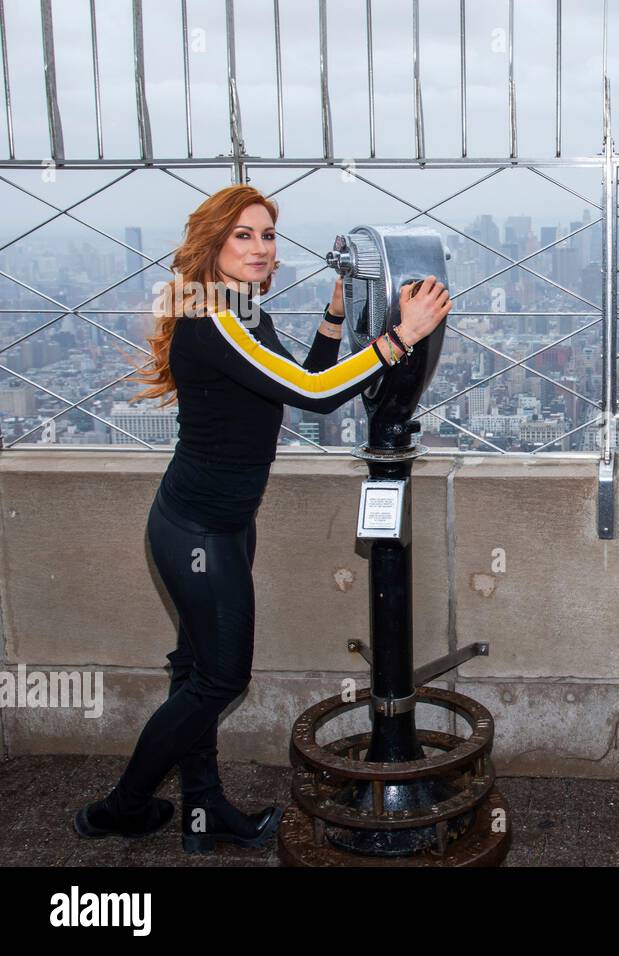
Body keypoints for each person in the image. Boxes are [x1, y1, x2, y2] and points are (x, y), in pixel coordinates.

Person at [74, 184, 452, 853]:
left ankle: (204, 812)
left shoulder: (242, 310)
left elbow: (301, 386)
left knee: (195, 673)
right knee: (220, 680)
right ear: (211, 244)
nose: (259, 248)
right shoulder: (213, 319)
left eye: (267, 236)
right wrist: (401, 336)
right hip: (195, 531)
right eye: (242, 235)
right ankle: (122, 809)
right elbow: (314, 392)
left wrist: (336, 317)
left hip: (223, 521)